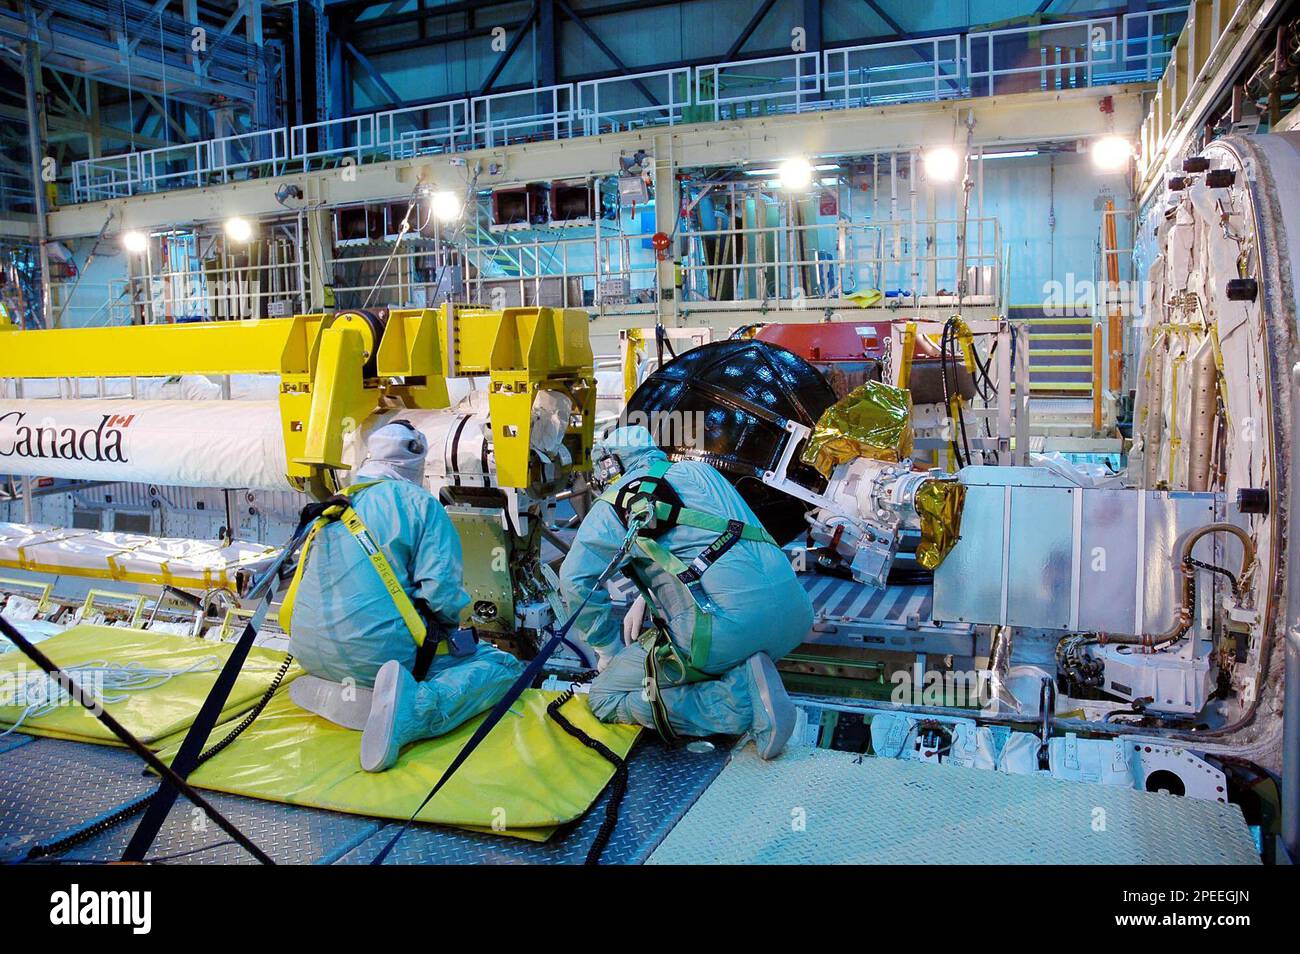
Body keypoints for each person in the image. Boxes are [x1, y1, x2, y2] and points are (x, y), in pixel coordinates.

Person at [281, 419, 523, 772]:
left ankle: (334, 689)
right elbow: (441, 594)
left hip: (308, 652)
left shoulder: (332, 505)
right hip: (375, 657)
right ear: (416, 464)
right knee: (502, 666)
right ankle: (415, 710)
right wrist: (450, 635)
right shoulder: (420, 505)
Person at [559, 425, 811, 759]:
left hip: (726, 630)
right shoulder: (703, 472)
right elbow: (720, 544)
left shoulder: (615, 501)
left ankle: (737, 705)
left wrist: (606, 647)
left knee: (605, 697)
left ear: (610, 465)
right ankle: (745, 672)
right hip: (795, 617)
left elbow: (574, 579)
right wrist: (643, 598)